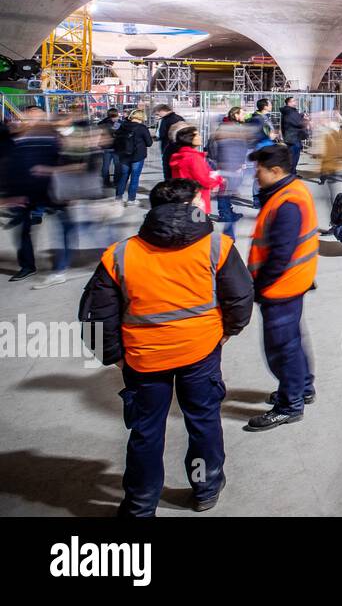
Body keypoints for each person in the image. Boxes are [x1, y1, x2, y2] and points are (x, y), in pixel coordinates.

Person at [78, 177, 254, 516]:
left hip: (144, 358)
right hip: (200, 351)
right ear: (193, 207)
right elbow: (241, 295)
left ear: (153, 210)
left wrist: (113, 356)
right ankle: (205, 486)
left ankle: (141, 504)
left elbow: (95, 315)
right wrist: (227, 331)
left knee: (146, 431)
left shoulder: (121, 254)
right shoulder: (217, 245)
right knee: (202, 420)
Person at [245, 144, 319, 429]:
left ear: (276, 171)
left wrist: (260, 287)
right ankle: (302, 387)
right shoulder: (290, 191)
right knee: (293, 342)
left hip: (281, 286)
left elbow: (280, 254)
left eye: (259, 171)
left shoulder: (287, 201)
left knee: (281, 349)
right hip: (293, 282)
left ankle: (290, 405)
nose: (256, 177)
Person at [2, 106, 66, 283]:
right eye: (29, 116)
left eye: (37, 116)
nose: (32, 119)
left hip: (51, 189)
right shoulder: (19, 137)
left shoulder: (52, 135)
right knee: (23, 231)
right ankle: (28, 266)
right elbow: (13, 165)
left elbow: (63, 160)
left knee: (61, 227)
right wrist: (12, 193)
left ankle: (60, 267)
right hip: (25, 191)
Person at [168, 126, 222, 216]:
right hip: (198, 199)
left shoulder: (179, 155)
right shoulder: (194, 158)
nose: (200, 137)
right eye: (197, 135)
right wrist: (218, 179)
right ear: (189, 138)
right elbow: (205, 181)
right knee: (198, 227)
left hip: (183, 197)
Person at [114, 110, 153, 205]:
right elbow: (149, 143)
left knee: (123, 176)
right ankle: (131, 199)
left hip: (123, 155)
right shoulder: (142, 128)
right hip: (137, 156)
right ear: (142, 118)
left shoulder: (122, 125)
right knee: (134, 177)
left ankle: (118, 197)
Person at [278, 97, 307, 174]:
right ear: (289, 103)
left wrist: (301, 115)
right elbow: (297, 123)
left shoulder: (290, 111)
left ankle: (293, 173)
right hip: (293, 138)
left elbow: (294, 120)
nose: (296, 102)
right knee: (293, 158)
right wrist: (305, 121)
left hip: (293, 137)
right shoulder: (289, 112)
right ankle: (291, 175)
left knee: (294, 157)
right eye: (294, 101)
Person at [154, 105, 184, 181]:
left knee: (168, 170)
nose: (158, 115)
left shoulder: (165, 120)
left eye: (158, 113)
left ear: (162, 111)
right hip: (180, 147)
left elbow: (162, 134)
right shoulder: (180, 118)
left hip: (167, 146)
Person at [97, 107, 122, 189]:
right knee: (117, 165)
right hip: (116, 147)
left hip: (106, 147)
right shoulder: (118, 123)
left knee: (105, 166)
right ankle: (116, 181)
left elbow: (99, 125)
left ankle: (105, 182)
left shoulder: (102, 123)